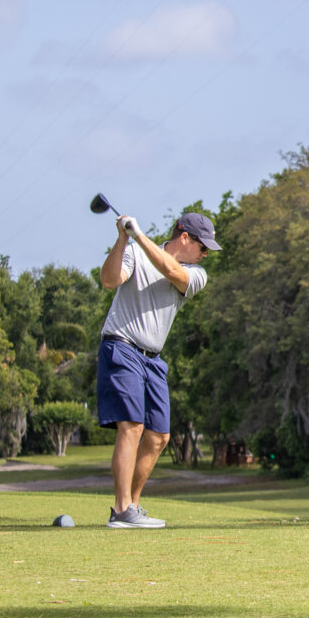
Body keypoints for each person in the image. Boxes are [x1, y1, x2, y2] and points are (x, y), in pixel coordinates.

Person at [96, 210, 218, 528]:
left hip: (153, 359)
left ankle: (132, 506)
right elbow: (108, 280)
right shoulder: (134, 252)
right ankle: (122, 509)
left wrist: (137, 235)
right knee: (132, 427)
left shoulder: (195, 274)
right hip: (122, 345)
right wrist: (122, 240)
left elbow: (169, 269)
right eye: (203, 247)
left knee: (159, 437)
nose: (205, 254)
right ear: (185, 237)